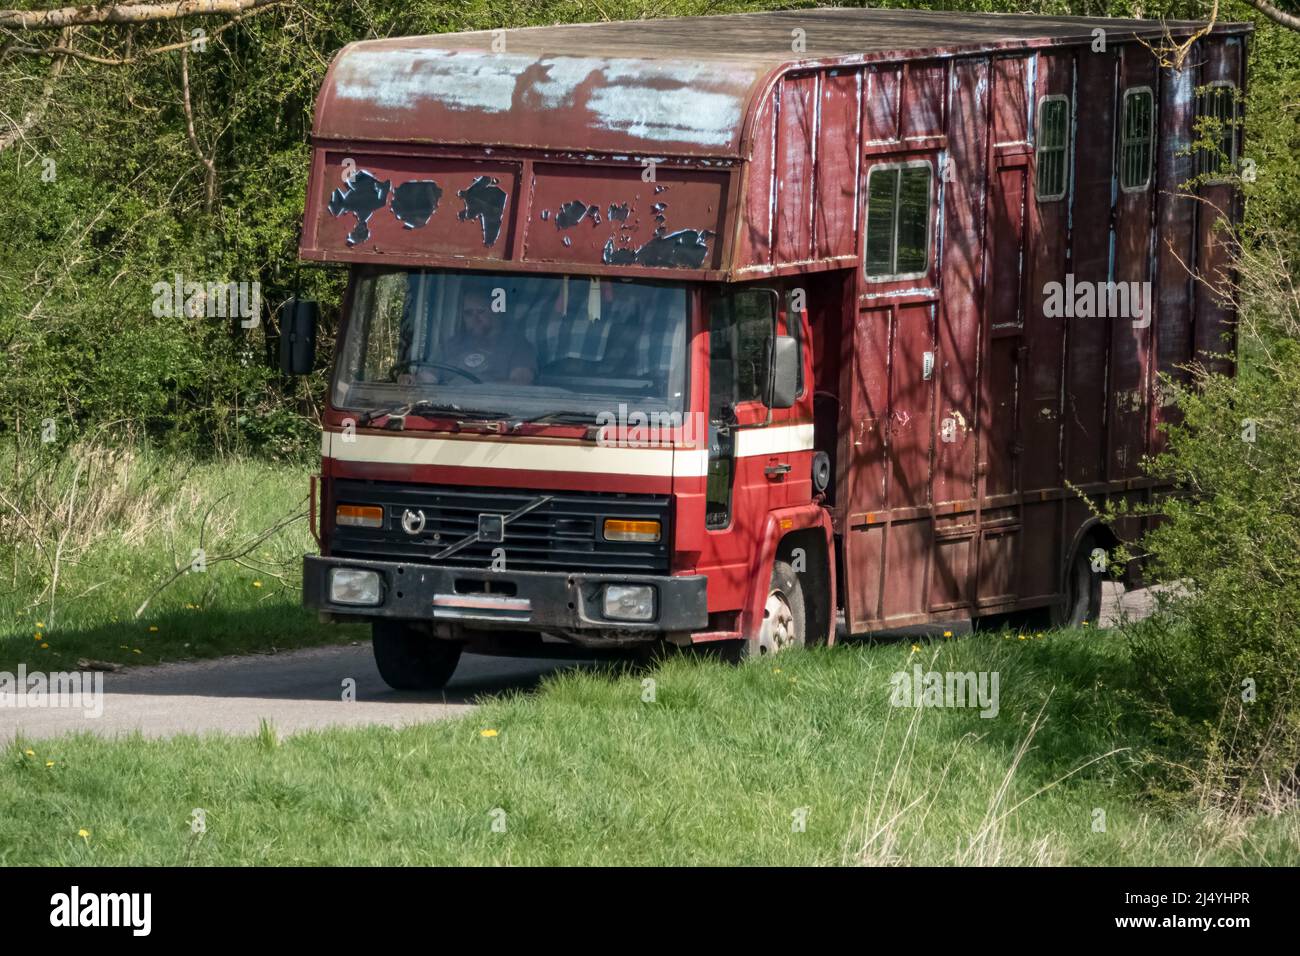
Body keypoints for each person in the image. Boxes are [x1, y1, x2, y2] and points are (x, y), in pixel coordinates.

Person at [398, 286, 537, 386]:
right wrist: (412, 380)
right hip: (447, 413)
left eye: (481, 312)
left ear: (496, 313)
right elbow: (428, 377)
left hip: (493, 414)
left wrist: (478, 391)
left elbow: (520, 382)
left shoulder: (518, 346)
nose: (474, 319)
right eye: (468, 313)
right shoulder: (452, 344)